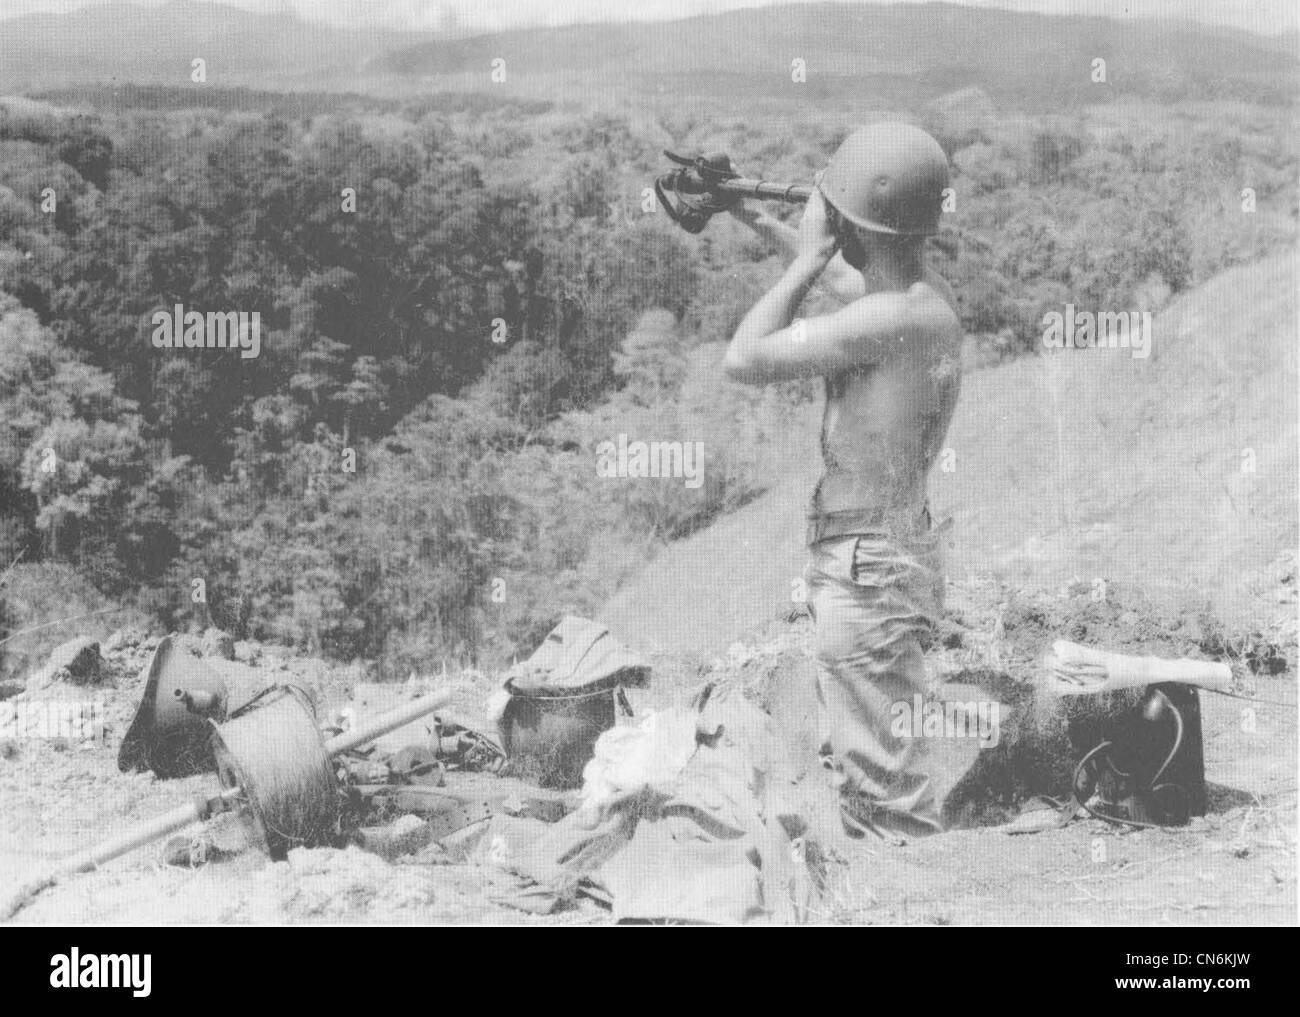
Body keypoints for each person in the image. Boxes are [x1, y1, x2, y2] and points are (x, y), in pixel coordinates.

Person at [724, 123, 962, 842]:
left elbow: (745, 357)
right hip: (890, 550)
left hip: (866, 569)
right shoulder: (919, 297)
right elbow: (850, 280)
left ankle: (913, 899)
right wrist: (753, 214)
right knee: (873, 748)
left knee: (887, 803)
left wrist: (802, 256)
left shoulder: (886, 320)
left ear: (852, 224)